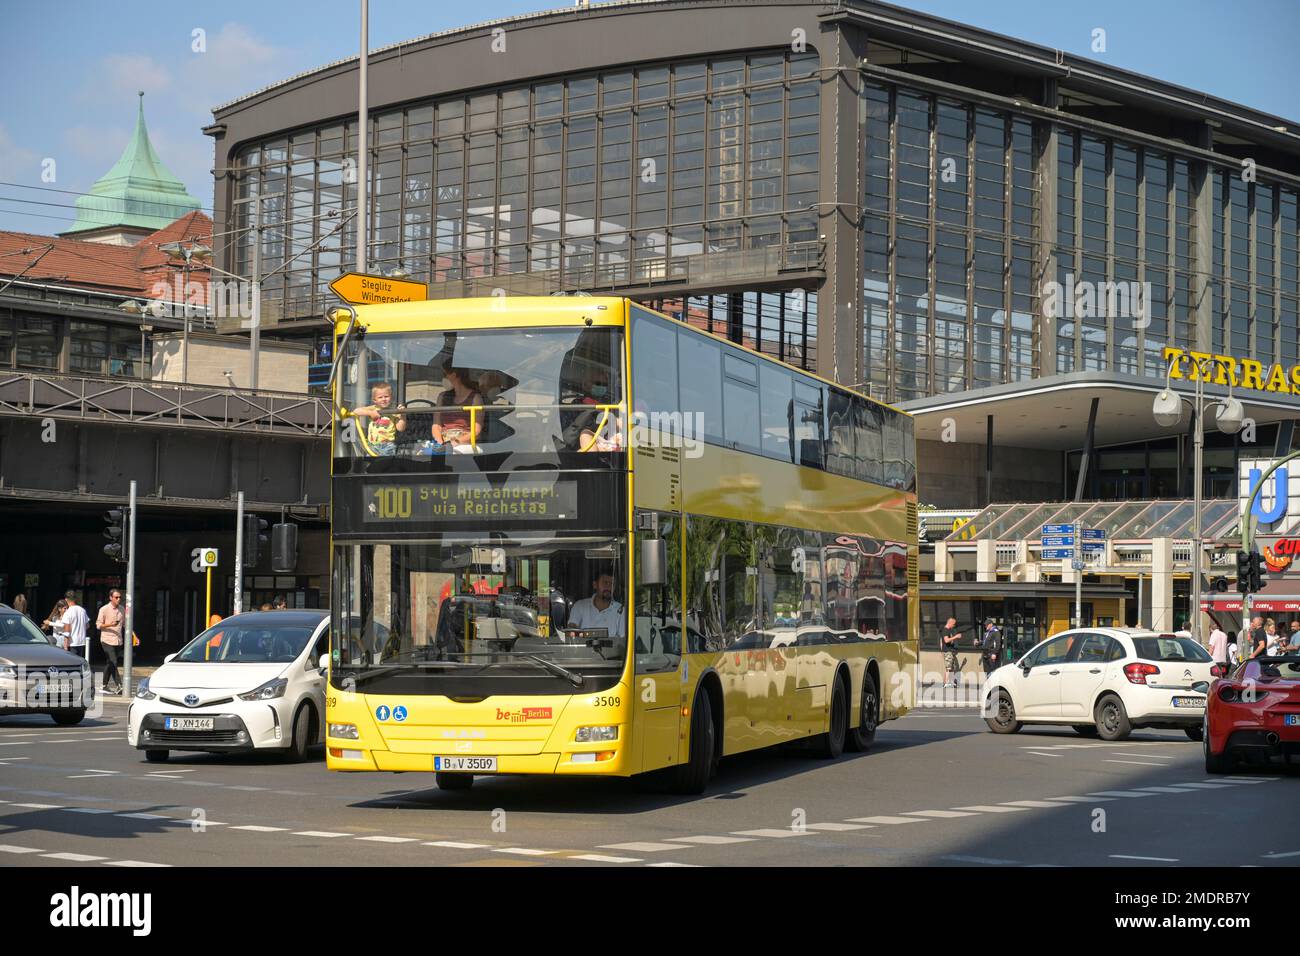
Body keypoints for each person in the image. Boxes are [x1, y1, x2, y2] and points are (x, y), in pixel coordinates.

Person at [562, 364, 623, 452]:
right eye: (598, 383)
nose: (601, 387)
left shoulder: (612, 405)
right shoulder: (574, 407)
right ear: (585, 385)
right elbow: (567, 438)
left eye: (604, 384)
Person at [432, 367, 483, 450]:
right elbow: (436, 426)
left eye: (445, 375)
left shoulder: (475, 398)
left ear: (454, 375)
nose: (444, 378)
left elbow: (476, 431)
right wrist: (441, 443)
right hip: (445, 442)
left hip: (466, 443)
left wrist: (458, 442)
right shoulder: (442, 397)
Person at [566, 569, 625, 641]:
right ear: (595, 585)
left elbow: (622, 640)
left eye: (612, 584)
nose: (609, 587)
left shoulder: (621, 610)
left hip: (610, 652)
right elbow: (571, 631)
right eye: (605, 583)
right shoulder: (580, 605)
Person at [352, 381, 405, 456]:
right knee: (371, 464)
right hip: (371, 445)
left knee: (384, 464)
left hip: (387, 446)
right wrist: (370, 413)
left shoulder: (394, 410)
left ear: (391, 397)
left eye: (386, 396)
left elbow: (400, 428)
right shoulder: (373, 408)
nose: (383, 399)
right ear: (374, 400)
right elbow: (356, 411)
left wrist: (403, 416)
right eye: (380, 397)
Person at [95, 589, 125, 694]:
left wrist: (133, 634)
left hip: (118, 640)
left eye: (120, 597)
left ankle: (103, 685)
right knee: (114, 661)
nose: (118, 599)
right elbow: (98, 625)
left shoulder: (122, 609)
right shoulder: (104, 609)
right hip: (107, 639)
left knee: (110, 662)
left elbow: (125, 624)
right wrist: (110, 624)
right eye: (116, 597)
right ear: (111, 598)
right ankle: (119, 685)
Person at [60, 590, 89, 658]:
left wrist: (65, 646)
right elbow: (87, 625)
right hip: (81, 641)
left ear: (66, 599)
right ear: (75, 599)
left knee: (71, 662)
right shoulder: (82, 610)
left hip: (72, 643)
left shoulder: (68, 612)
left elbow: (67, 631)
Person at [940, 617, 962, 688]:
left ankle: (951, 682)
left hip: (949, 651)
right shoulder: (945, 630)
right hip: (948, 651)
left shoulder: (947, 630)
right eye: (954, 624)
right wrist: (955, 636)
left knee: (952, 667)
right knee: (949, 668)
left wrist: (942, 651)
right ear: (950, 623)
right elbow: (946, 640)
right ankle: (945, 683)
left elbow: (941, 641)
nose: (954, 626)